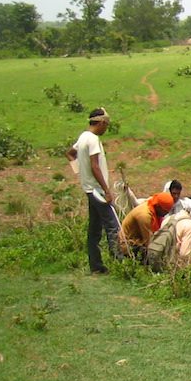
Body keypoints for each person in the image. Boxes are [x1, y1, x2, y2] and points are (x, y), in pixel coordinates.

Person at [65, 107, 122, 274]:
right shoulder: (93, 140)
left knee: (94, 228)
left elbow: (69, 154)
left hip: (88, 189)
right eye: (106, 125)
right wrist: (106, 190)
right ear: (102, 123)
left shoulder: (83, 137)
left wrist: (80, 172)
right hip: (97, 191)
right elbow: (95, 166)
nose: (106, 128)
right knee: (112, 226)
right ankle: (120, 263)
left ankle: (96, 266)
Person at [120, 191, 176, 260]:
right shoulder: (144, 216)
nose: (165, 214)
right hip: (128, 246)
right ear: (158, 206)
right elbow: (148, 242)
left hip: (139, 241)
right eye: (165, 212)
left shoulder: (151, 205)